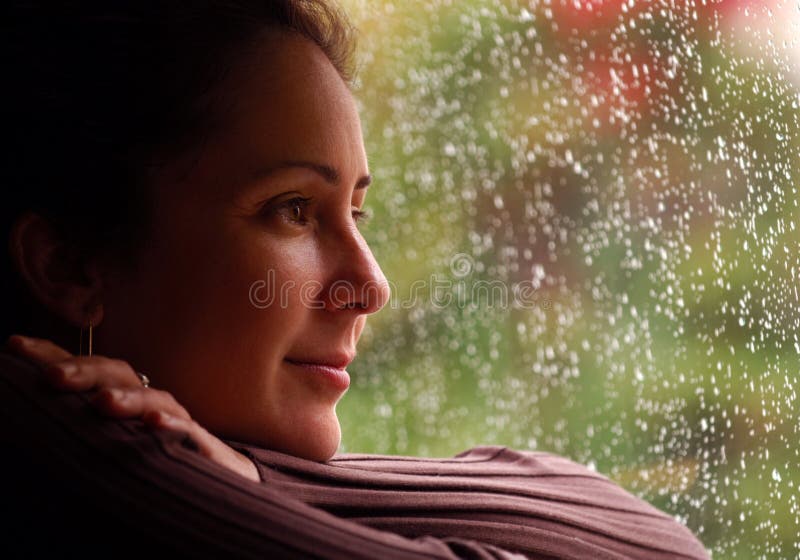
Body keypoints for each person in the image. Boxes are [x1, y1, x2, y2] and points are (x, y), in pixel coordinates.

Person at [0, 1, 709, 558]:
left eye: (356, 213)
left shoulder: (185, 479)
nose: (371, 286)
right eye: (294, 210)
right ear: (69, 265)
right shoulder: (79, 471)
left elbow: (657, 541)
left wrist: (249, 479)